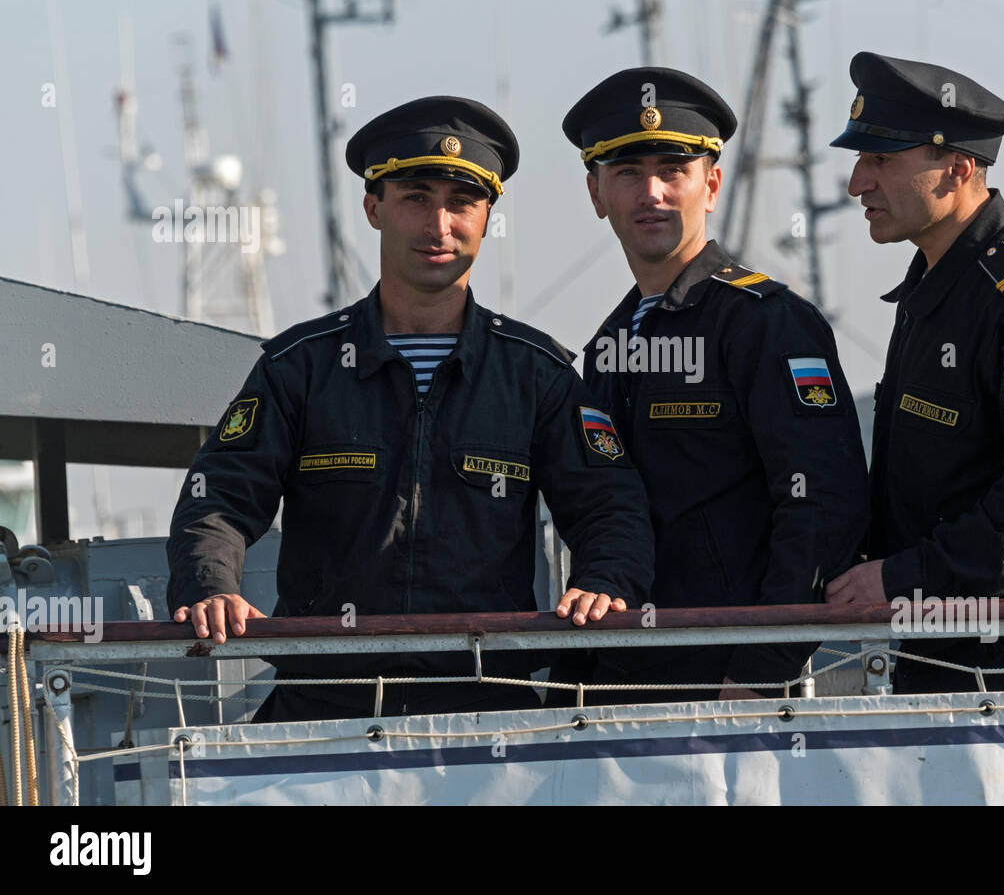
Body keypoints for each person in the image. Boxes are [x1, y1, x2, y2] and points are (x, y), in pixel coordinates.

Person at [166, 96, 654, 721]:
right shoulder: (300, 368)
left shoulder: (536, 374)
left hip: (486, 707)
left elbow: (609, 505)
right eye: (416, 198)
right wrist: (211, 586)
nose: (439, 225)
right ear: (373, 208)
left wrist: (605, 582)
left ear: (487, 218)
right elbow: (219, 496)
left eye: (462, 203)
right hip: (323, 707)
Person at [556, 67, 869, 703]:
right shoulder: (610, 342)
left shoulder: (767, 323)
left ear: (712, 185)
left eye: (674, 171)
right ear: (595, 193)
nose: (652, 193)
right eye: (627, 172)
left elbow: (822, 508)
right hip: (624, 673)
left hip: (729, 683)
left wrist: (762, 671)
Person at [823, 52, 1004, 693]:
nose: (857, 183)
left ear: (958, 168)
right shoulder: (936, 287)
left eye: (881, 160)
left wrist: (903, 578)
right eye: (861, 159)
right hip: (941, 646)